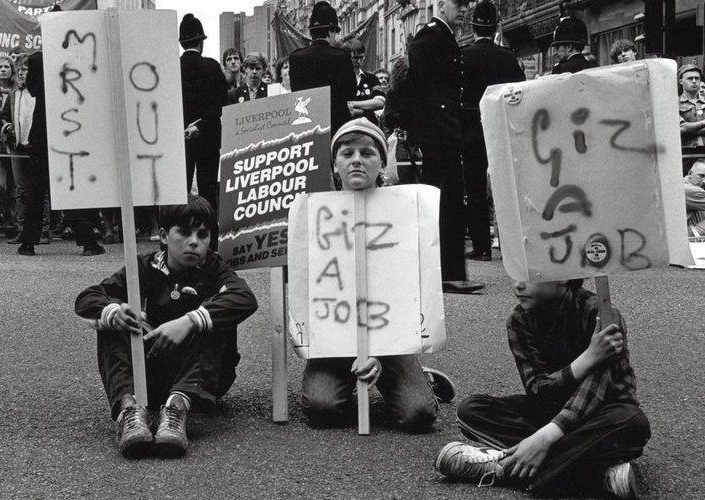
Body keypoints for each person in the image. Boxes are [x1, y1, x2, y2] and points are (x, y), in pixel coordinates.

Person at [75, 196, 259, 457]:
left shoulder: (215, 268)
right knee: (112, 320)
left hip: (203, 379)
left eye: (203, 235)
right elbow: (87, 298)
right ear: (163, 235)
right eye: (183, 232)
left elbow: (245, 299)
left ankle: (177, 409)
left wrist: (189, 321)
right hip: (148, 375)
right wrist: (115, 312)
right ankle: (129, 410)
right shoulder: (143, 266)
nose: (194, 241)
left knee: (216, 316)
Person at [436, 279, 650, 499]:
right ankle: (596, 473)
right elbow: (538, 390)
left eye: (530, 277)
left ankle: (504, 468)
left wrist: (545, 438)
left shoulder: (602, 315)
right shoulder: (520, 318)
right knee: (471, 410)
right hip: (554, 412)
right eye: (515, 274)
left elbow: (596, 392)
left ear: (563, 278)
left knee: (633, 422)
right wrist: (587, 359)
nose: (518, 285)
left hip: (602, 416)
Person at [299, 118, 448, 432]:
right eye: (347, 152)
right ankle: (351, 379)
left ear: (382, 161)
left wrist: (379, 351)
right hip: (333, 336)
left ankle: (421, 379)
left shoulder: (405, 213)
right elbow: (306, 291)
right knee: (322, 409)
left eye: (367, 153)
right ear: (334, 162)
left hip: (390, 337)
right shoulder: (313, 215)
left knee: (418, 415)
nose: (356, 159)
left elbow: (410, 290)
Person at [405, 0, 483, 293]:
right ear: (441, 4)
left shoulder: (443, 35)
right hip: (438, 131)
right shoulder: (431, 36)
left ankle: (448, 271)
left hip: (445, 129)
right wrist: (426, 127)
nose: (464, 9)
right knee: (444, 204)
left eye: (466, 5)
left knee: (449, 203)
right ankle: (446, 273)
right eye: (458, 4)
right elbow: (420, 86)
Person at [460, 0, 525, 262]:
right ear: (497, 27)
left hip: (472, 130)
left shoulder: (463, 56)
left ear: (473, 27)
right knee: (505, 187)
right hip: (501, 128)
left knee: (475, 189)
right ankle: (511, 245)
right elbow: (520, 92)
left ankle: (482, 248)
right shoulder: (508, 58)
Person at [179, 13, 226, 249]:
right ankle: (212, 242)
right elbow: (219, 105)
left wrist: (185, 127)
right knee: (207, 190)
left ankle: (178, 239)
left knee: (180, 190)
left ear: (181, 43)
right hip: (207, 136)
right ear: (201, 42)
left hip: (179, 138)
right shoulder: (212, 67)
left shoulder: (172, 68)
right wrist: (199, 125)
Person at [1, 56, 51, 256]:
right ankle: (87, 239)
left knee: (37, 193)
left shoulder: (38, 72)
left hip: (39, 141)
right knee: (35, 191)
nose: (22, 74)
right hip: (38, 141)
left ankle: (31, 239)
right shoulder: (17, 93)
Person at [289, 1, 356, 136]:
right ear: (331, 30)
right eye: (335, 31)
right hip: (337, 124)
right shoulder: (341, 56)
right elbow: (351, 91)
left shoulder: (296, 57)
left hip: (309, 125)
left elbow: (295, 91)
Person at [0, 54, 18, 236]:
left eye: (6, 67)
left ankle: (13, 223)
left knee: (15, 187)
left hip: (15, 144)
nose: (3, 70)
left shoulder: (19, 90)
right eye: (0, 67)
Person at [342, 38, 385, 126]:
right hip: (346, 127)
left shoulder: (371, 78)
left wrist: (352, 104)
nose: (359, 61)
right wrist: (366, 108)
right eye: (355, 58)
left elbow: (380, 102)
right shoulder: (339, 79)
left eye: (361, 57)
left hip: (369, 127)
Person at [685, 161, 705, 236]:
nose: (704, 181)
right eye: (701, 176)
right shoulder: (692, 190)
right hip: (682, 234)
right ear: (690, 173)